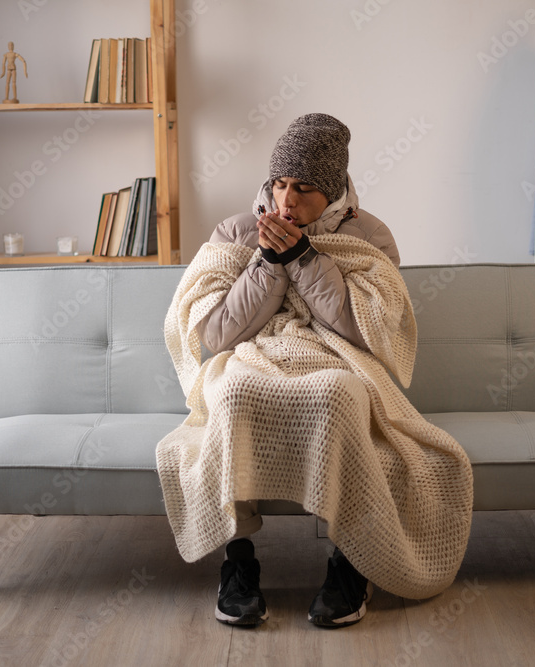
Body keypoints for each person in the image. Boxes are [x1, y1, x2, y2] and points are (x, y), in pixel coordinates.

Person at [194, 113, 401, 628]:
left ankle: (350, 561)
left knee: (339, 393)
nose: (286, 201)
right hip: (255, 357)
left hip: (337, 360)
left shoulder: (370, 236)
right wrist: (266, 263)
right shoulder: (235, 232)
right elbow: (216, 335)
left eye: (304, 189)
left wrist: (306, 259)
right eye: (280, 185)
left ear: (331, 194)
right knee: (234, 391)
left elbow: (368, 331)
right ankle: (237, 563)